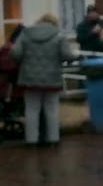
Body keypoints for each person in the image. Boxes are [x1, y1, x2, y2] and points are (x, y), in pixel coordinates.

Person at [11, 14, 74, 147]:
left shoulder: (25, 33)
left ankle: (31, 140)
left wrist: (23, 63)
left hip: (29, 78)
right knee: (51, 109)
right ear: (54, 23)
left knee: (31, 110)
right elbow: (67, 55)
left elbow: (15, 53)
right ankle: (53, 139)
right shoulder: (59, 35)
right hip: (52, 77)